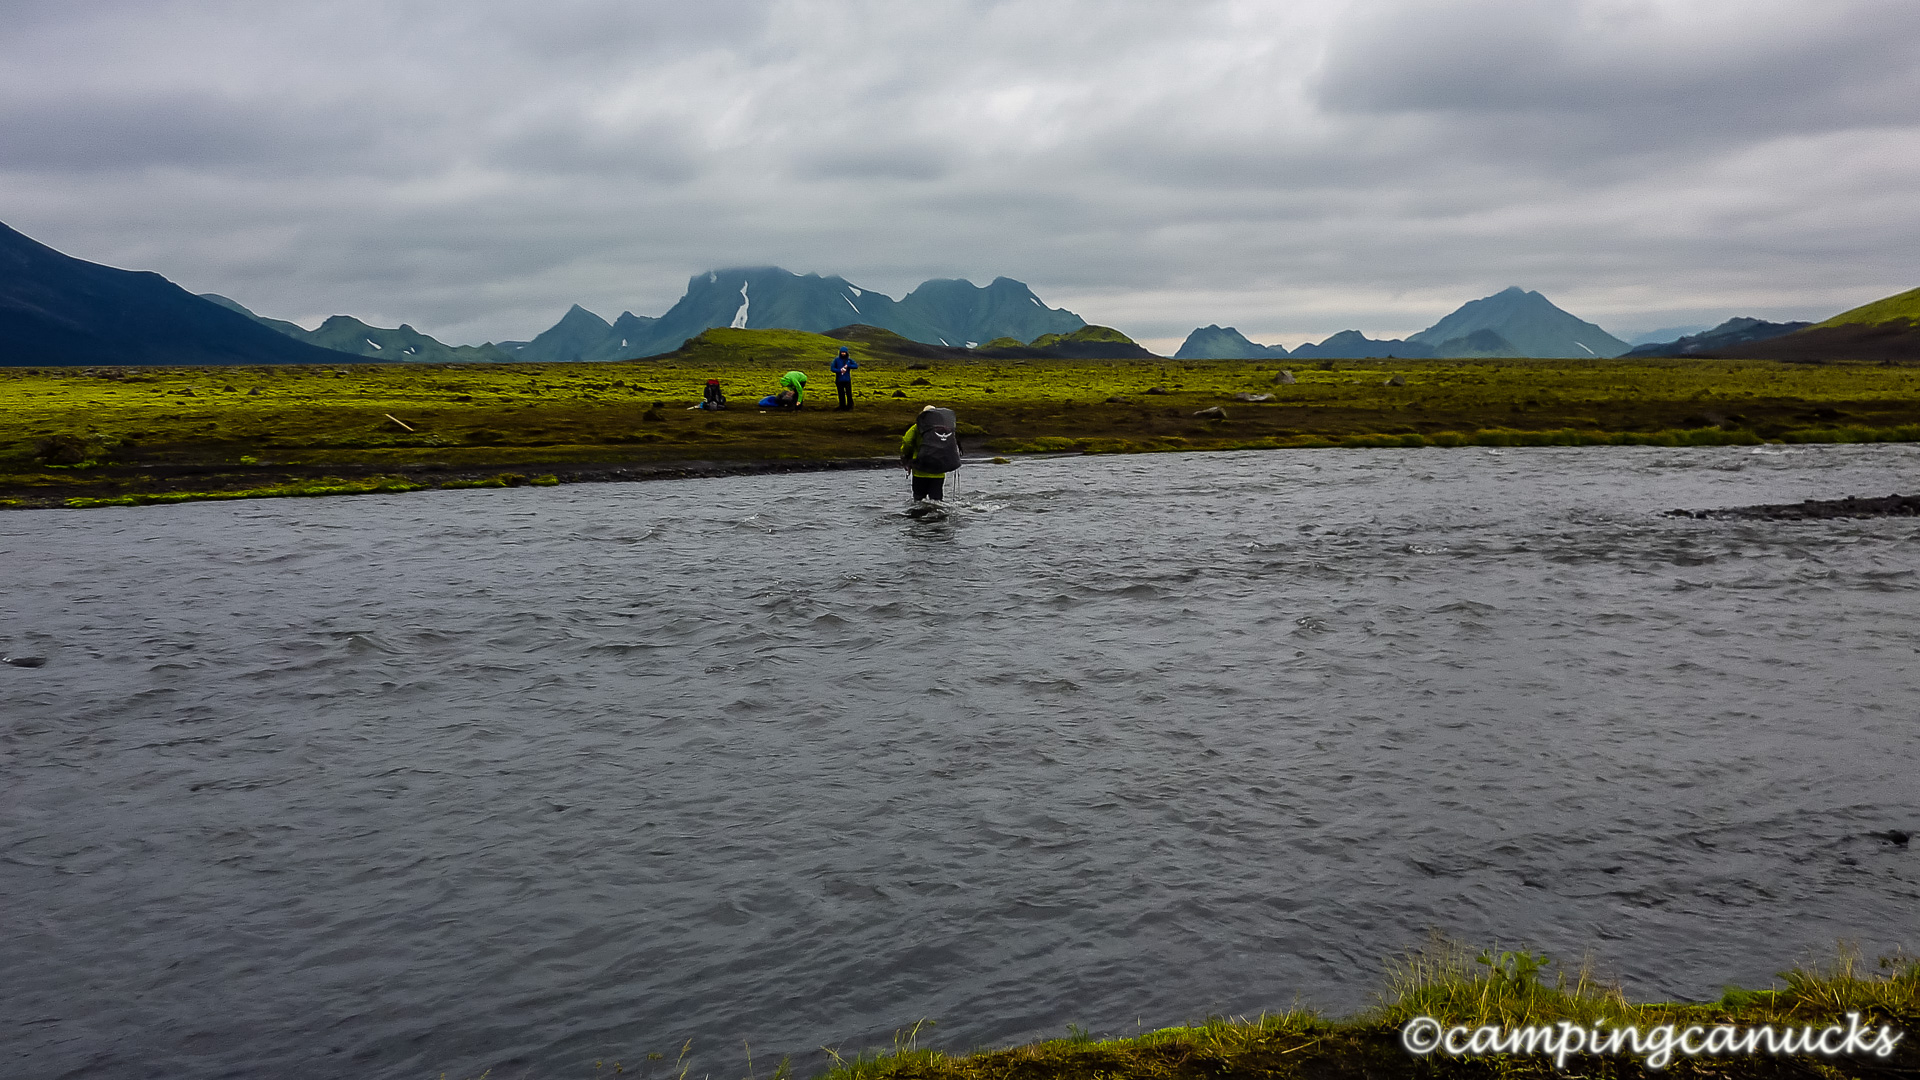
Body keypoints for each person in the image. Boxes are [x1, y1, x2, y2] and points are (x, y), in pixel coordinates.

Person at [900, 404, 963, 501]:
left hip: (920, 470)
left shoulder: (916, 427)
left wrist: (906, 455)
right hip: (939, 470)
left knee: (919, 499)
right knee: (936, 500)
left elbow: (907, 442)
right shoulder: (945, 429)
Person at [830, 346, 859, 410]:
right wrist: (839, 370)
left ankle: (850, 406)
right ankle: (842, 406)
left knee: (849, 393)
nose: (843, 354)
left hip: (847, 379)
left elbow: (856, 366)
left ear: (846, 353)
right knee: (841, 393)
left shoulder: (849, 360)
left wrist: (849, 366)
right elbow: (832, 368)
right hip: (839, 379)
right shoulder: (836, 360)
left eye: (844, 352)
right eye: (842, 352)